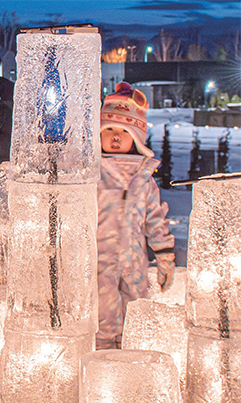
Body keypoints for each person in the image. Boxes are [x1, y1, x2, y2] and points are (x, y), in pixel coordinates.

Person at [97, 82, 175, 349]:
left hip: (134, 264)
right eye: (109, 130)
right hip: (99, 263)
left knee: (135, 318)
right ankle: (104, 366)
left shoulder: (144, 179)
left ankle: (131, 362)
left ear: (137, 138)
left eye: (123, 131)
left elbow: (155, 219)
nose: (115, 137)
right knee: (102, 320)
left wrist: (164, 255)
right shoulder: (94, 175)